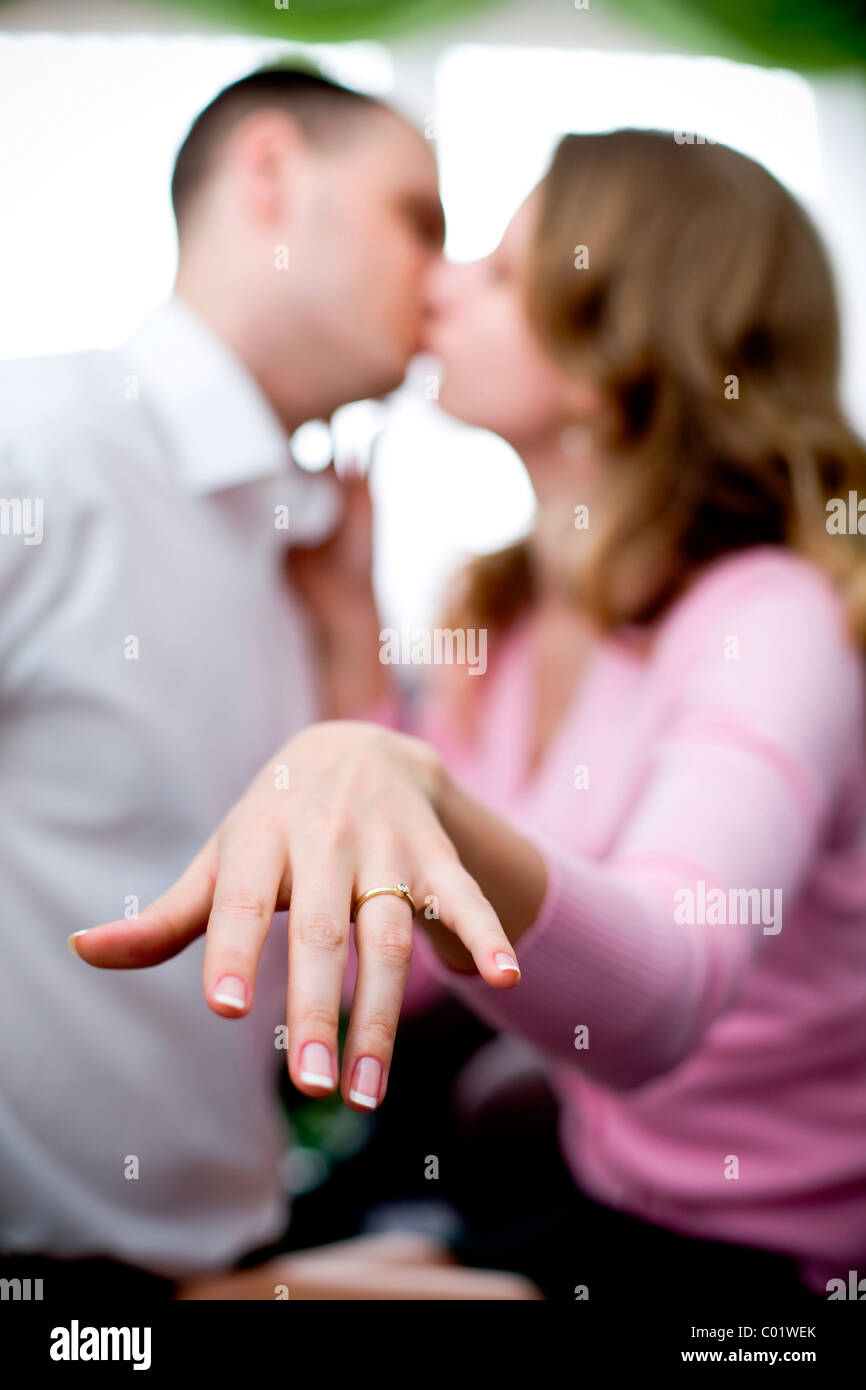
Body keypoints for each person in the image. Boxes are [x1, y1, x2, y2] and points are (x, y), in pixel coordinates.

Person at [77, 129, 866, 1306]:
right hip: (586, 1182)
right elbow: (409, 968)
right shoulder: (500, 617)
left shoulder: (771, 619)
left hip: (756, 1260)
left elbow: (661, 997)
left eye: (497, 271)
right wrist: (349, 633)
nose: (439, 283)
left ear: (612, 353)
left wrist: (415, 790)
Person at [0, 63, 455, 1300]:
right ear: (270, 173)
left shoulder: (301, 553)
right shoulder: (34, 452)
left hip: (235, 1244)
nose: (447, 280)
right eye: (418, 218)